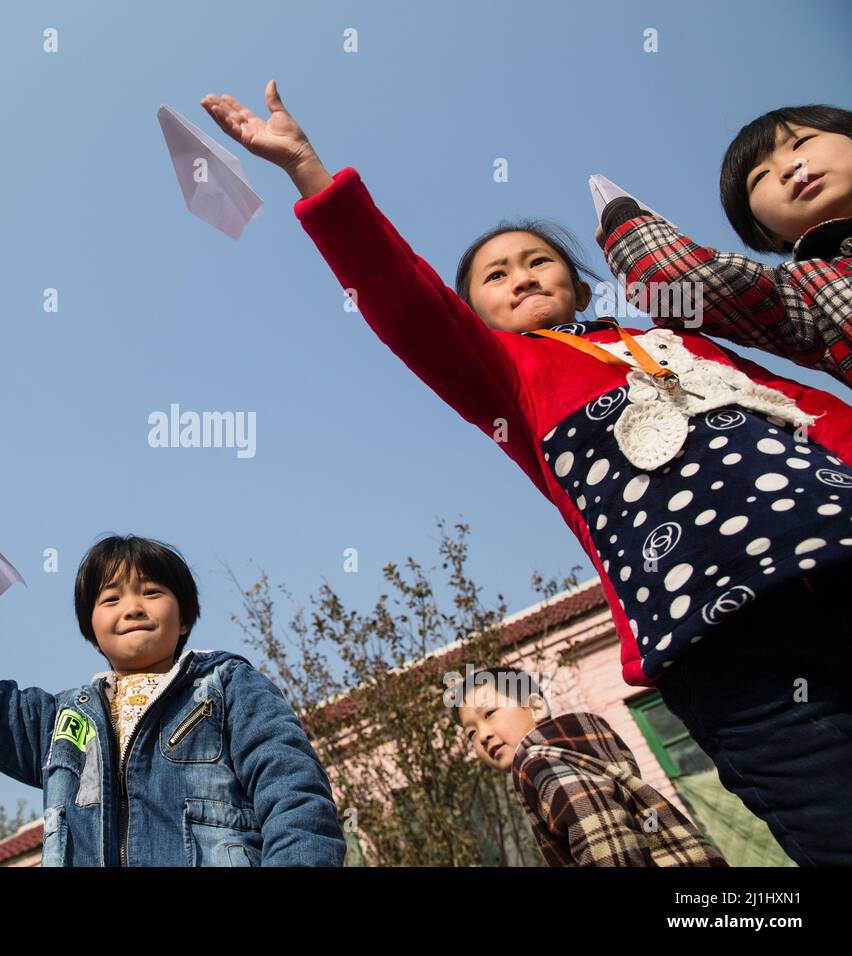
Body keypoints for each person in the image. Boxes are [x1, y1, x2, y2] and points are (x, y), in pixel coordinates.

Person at [199, 80, 852, 865]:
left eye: (538, 261)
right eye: (495, 276)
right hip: (725, 645)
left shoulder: (683, 343)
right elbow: (403, 298)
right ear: (473, 315)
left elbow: (817, 417)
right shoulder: (511, 378)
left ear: (579, 285)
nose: (521, 277)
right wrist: (308, 170)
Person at [0, 532, 346, 866]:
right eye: (110, 599)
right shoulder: (60, 719)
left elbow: (295, 796)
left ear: (184, 618)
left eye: (151, 592)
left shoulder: (228, 687)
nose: (131, 608)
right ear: (92, 633)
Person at [599, 105, 852, 386]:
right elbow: (682, 278)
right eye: (760, 176)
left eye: (800, 142)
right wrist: (624, 221)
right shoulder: (805, 292)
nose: (789, 168)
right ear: (765, 232)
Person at [452, 667, 725, 867]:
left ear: (535, 707)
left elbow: (606, 842)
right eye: (471, 734)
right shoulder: (593, 759)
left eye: (489, 714)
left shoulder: (538, 761)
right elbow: (648, 826)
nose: (483, 735)